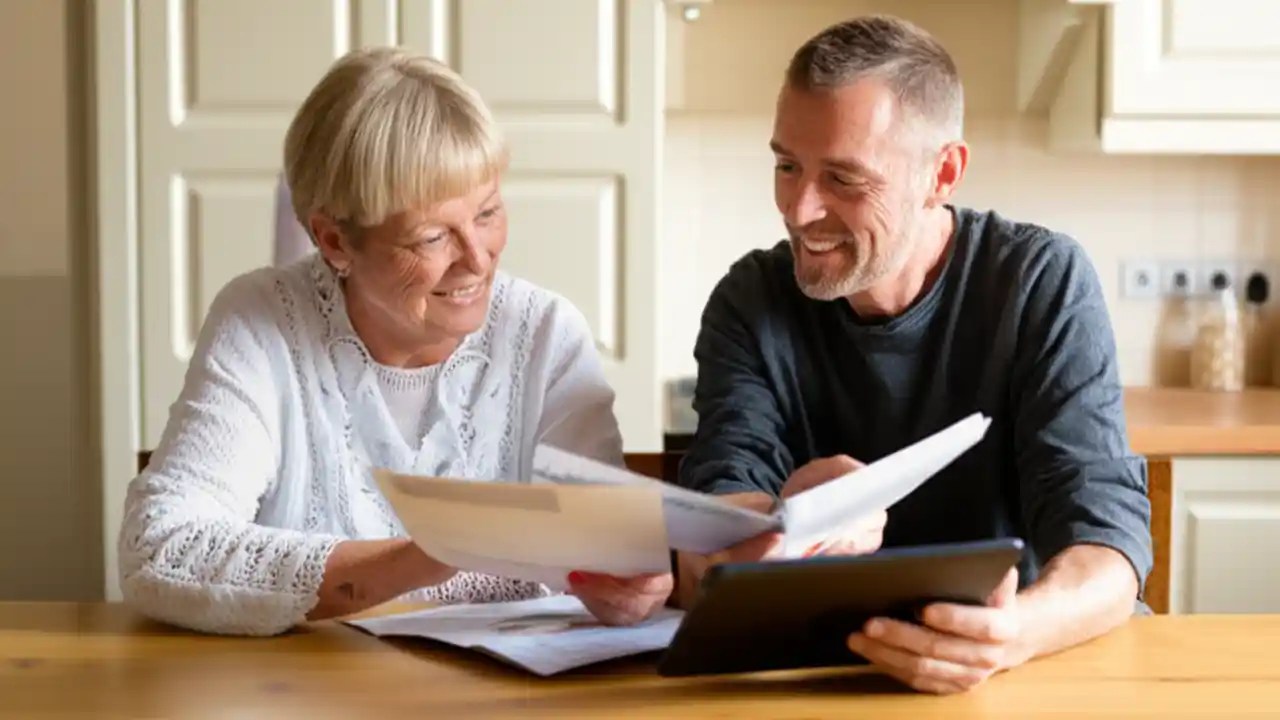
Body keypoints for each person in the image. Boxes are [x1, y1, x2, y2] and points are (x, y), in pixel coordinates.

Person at [672, 15, 1153, 694]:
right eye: (787, 166)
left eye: (844, 178)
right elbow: (714, 525)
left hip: (1015, 674)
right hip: (818, 679)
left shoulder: (1039, 281)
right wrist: (786, 516)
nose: (799, 209)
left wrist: (1011, 633)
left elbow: (1106, 546)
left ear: (942, 174)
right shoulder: (750, 300)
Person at [117, 47, 670, 636]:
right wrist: (425, 556)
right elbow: (158, 548)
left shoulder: (547, 334)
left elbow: (605, 554)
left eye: (487, 213)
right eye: (432, 237)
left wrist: (626, 587)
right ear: (334, 241)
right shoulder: (263, 322)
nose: (478, 260)